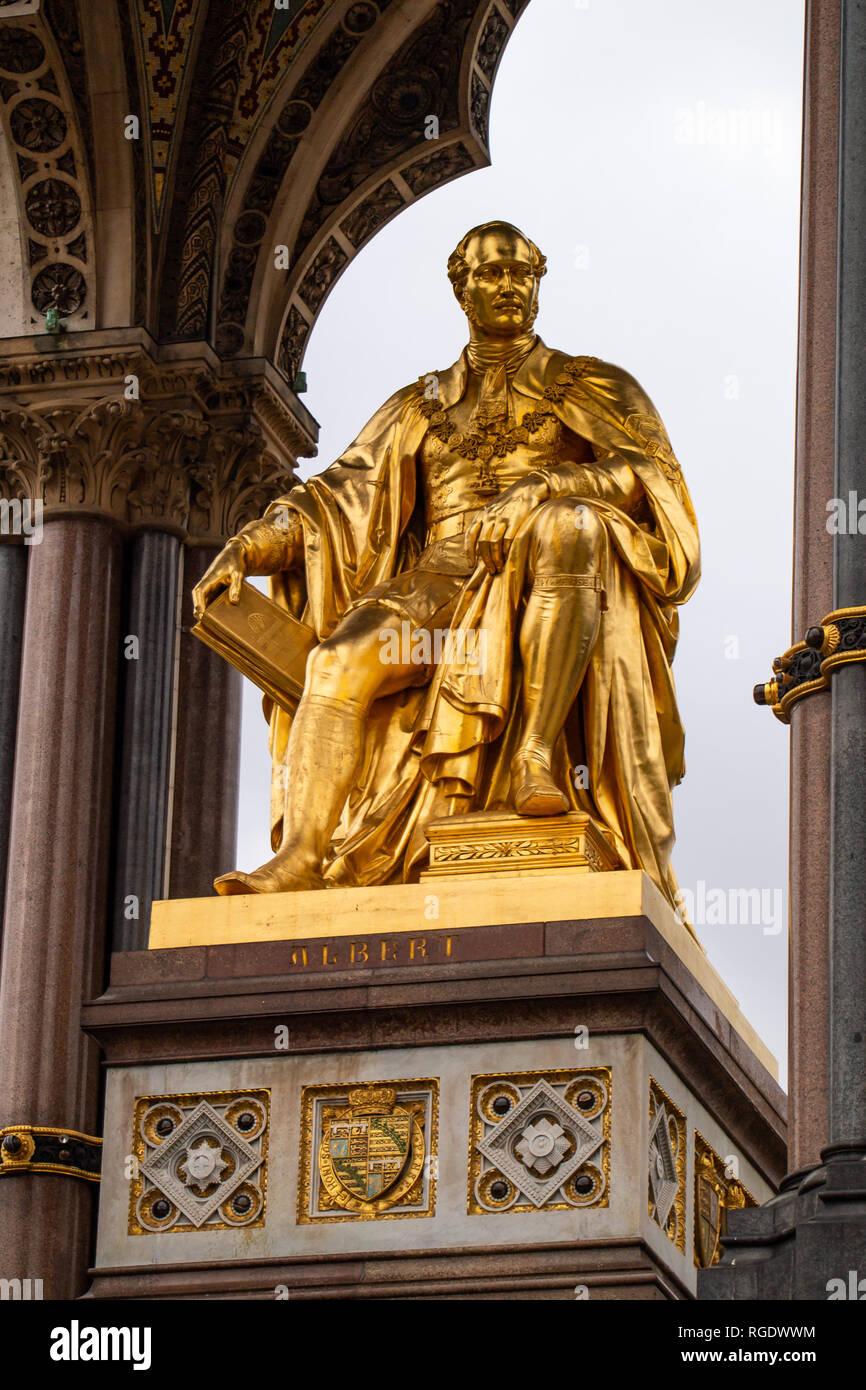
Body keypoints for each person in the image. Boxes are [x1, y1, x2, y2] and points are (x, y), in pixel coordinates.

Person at [193, 221, 700, 904]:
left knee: (571, 526)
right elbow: (335, 498)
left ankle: (534, 755)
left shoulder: (591, 383)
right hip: (437, 583)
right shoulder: (421, 404)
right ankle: (303, 856)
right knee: (335, 663)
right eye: (493, 273)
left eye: (522, 273)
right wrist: (248, 546)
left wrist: (545, 486)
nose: (510, 286)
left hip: (540, 568)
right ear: (463, 290)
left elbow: (649, 477)